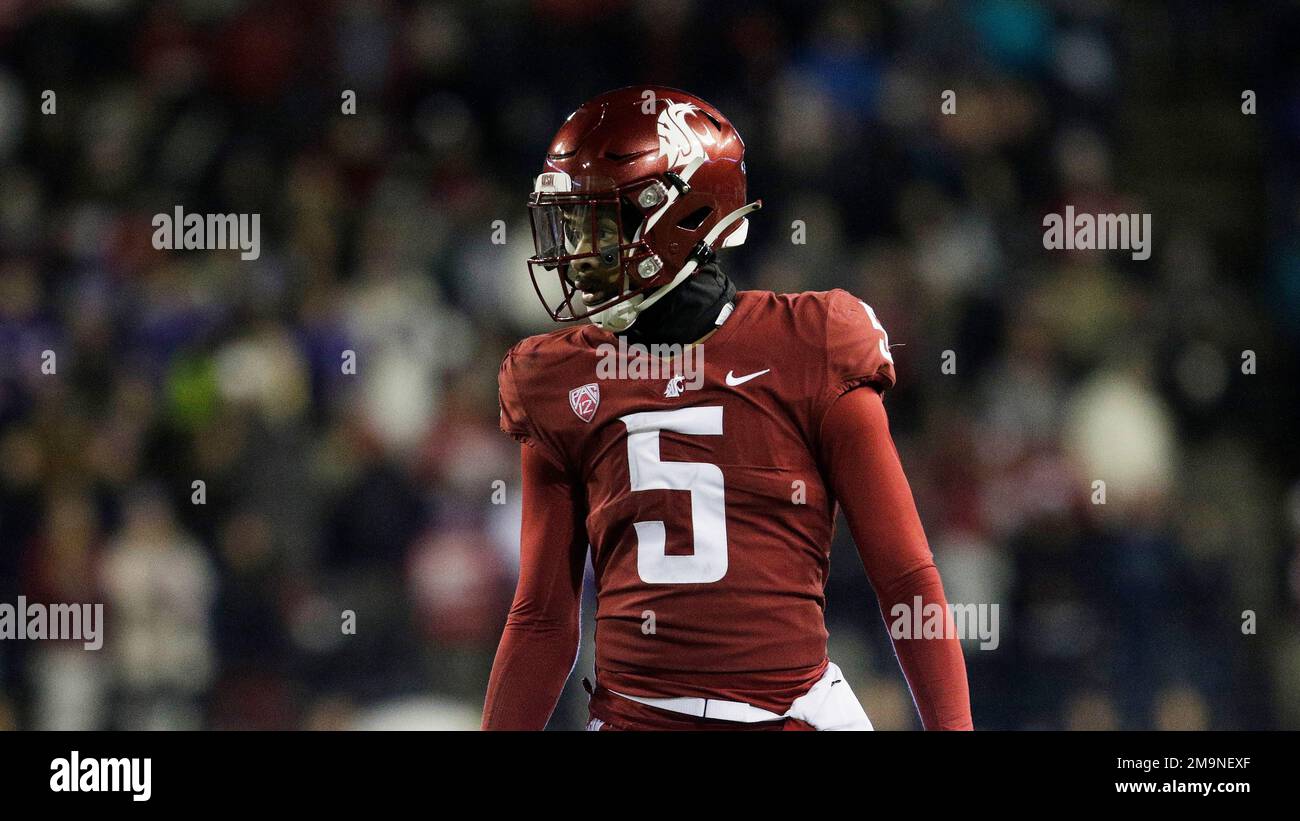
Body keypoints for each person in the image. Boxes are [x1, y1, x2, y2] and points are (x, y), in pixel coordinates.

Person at [482, 86, 972, 730]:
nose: (574, 251)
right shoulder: (558, 378)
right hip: (640, 716)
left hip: (795, 712)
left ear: (677, 216)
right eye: (569, 221)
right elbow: (543, 618)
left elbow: (905, 578)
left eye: (594, 223)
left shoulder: (810, 345)